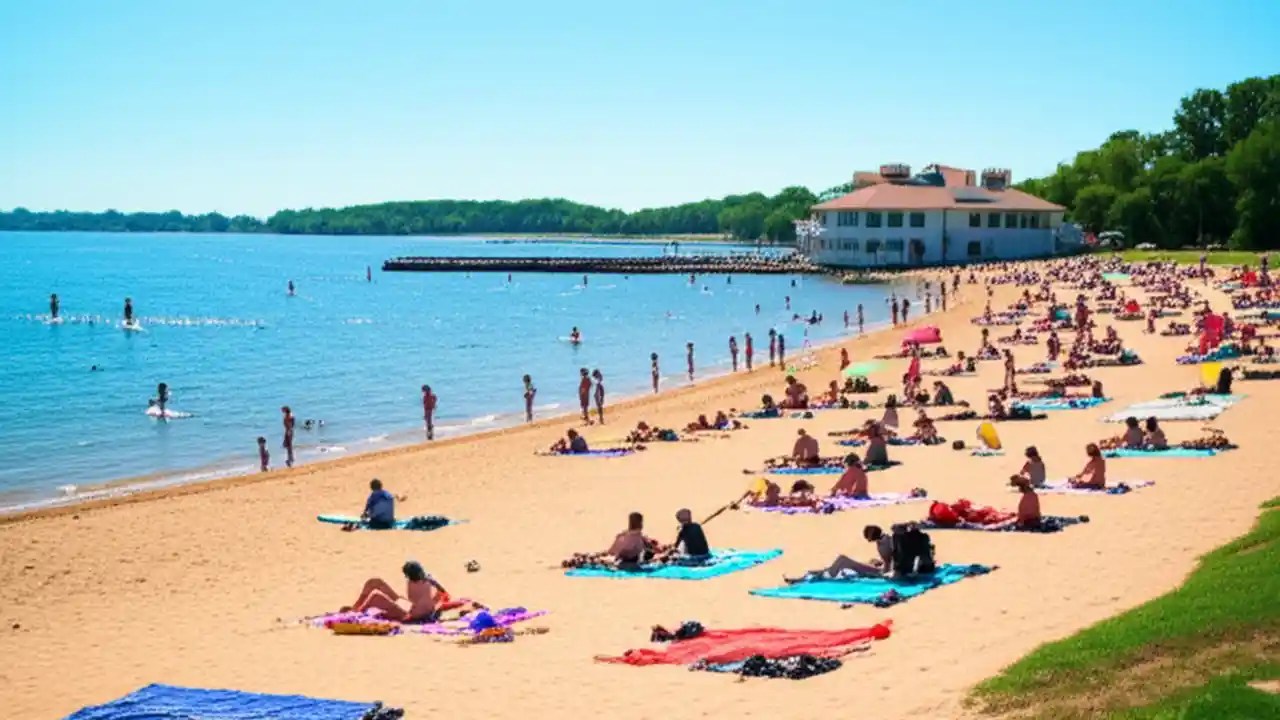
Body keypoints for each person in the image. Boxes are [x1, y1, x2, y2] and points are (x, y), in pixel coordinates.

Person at [347, 561, 448, 623]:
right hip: (409, 607)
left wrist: (432, 609)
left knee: (375, 596)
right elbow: (443, 596)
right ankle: (354, 608)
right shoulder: (427, 581)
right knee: (374, 582)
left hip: (410, 615)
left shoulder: (425, 582)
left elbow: (443, 597)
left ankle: (356, 615)